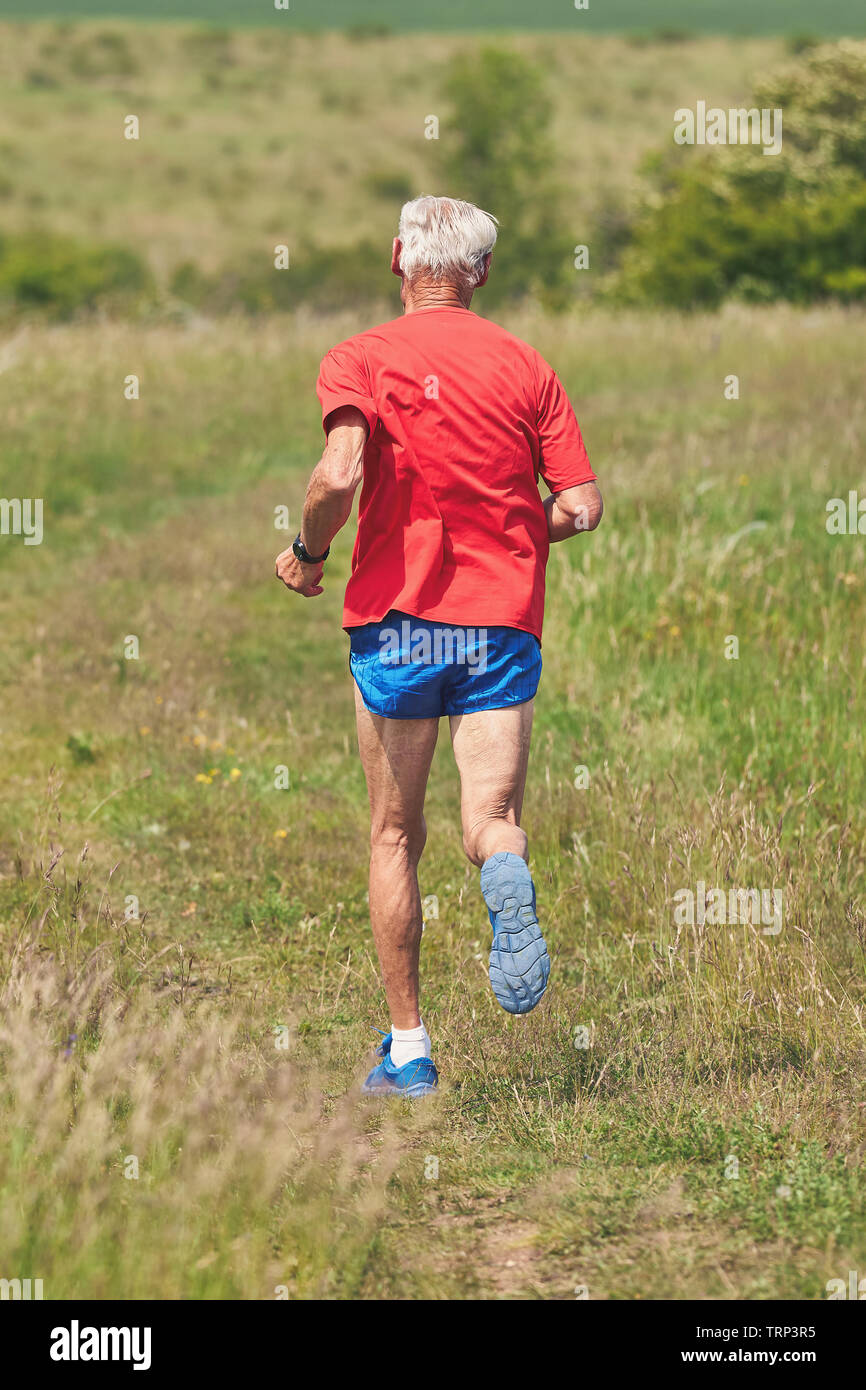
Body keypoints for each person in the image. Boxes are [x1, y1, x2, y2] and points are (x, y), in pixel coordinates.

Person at [275, 195, 602, 1096]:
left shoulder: (361, 358)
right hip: (498, 624)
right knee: (489, 820)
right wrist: (516, 535)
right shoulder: (526, 365)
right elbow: (580, 505)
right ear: (483, 273)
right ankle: (505, 868)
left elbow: (339, 474)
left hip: (399, 627)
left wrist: (309, 554)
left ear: (397, 259)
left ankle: (410, 1053)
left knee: (392, 836)